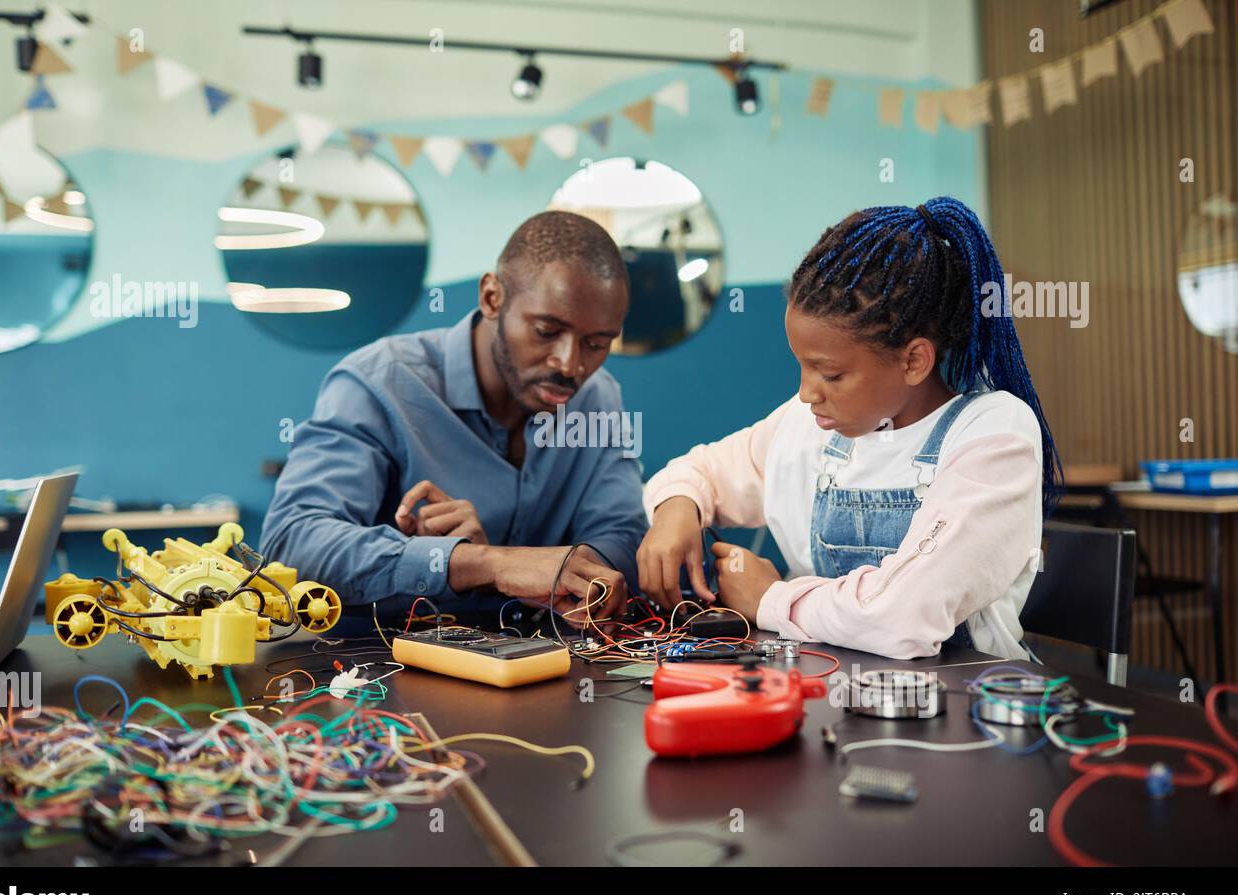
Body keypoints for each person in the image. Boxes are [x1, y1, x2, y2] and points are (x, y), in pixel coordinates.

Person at [637, 197, 1062, 660]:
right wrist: (677, 508)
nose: (806, 393)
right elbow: (701, 472)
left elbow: (905, 617)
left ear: (914, 360)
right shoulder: (809, 428)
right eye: (801, 366)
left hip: (964, 711)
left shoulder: (994, 435)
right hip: (830, 699)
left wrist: (769, 599)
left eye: (830, 374)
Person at [261, 211, 647, 622]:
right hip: (380, 670)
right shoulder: (380, 381)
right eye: (547, 331)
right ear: (492, 297)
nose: (570, 365)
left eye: (595, 343)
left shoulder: (598, 396)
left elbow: (622, 533)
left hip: (550, 667)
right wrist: (478, 563)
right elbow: (290, 544)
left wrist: (583, 572)